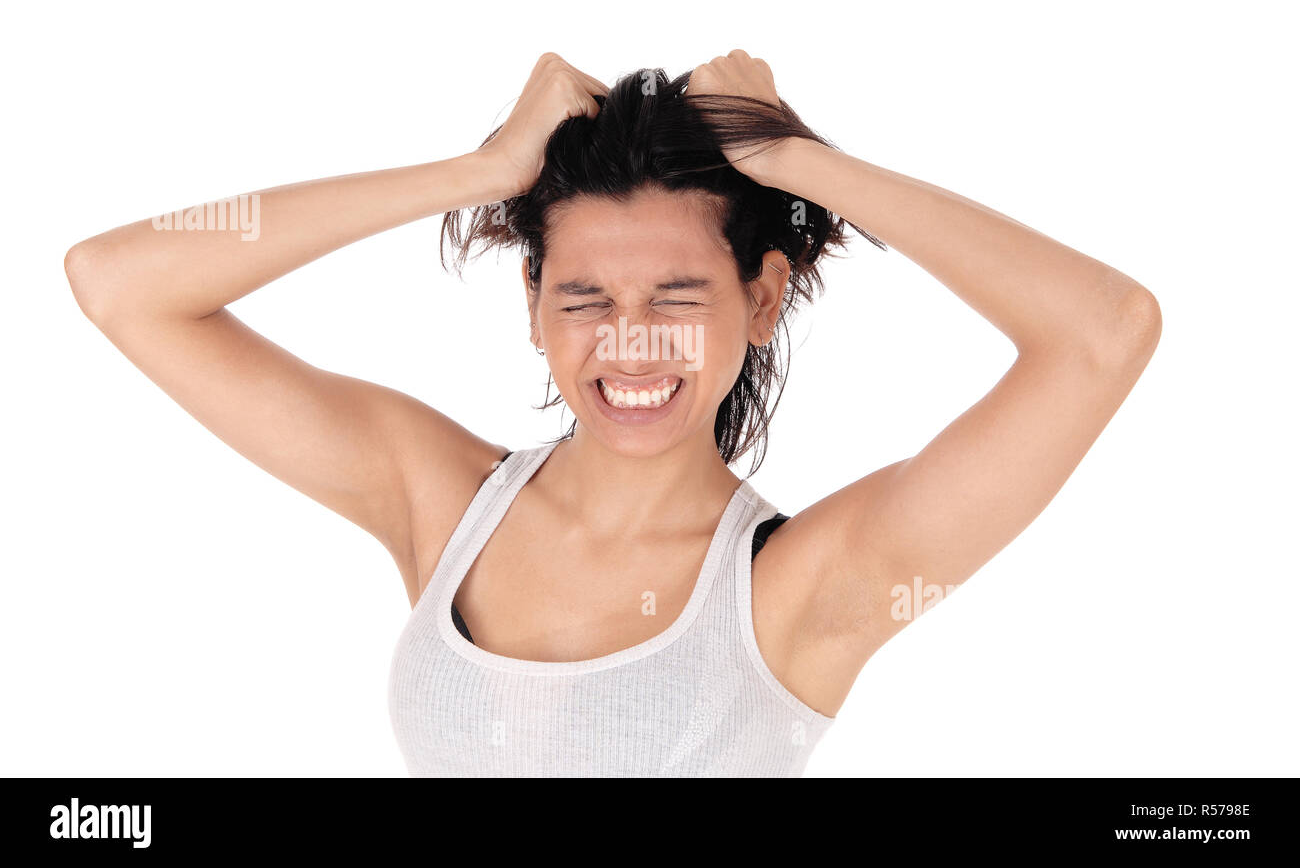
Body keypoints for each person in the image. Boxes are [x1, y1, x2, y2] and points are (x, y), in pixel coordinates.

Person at [64, 50, 1162, 777]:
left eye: (676, 298)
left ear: (763, 296)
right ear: (533, 306)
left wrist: (799, 159)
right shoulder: (442, 501)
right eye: (583, 298)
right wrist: (476, 169)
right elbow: (118, 282)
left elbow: (1104, 330)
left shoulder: (800, 586)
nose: (628, 342)